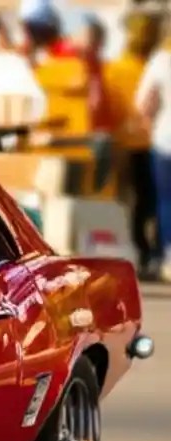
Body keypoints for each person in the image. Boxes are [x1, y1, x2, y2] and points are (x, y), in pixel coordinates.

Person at [106, 13, 161, 277]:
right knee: (149, 202)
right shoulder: (153, 64)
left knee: (137, 202)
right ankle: (146, 251)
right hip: (144, 143)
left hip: (133, 142)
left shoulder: (119, 67)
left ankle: (142, 251)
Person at [135, 20, 171, 282]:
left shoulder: (160, 61)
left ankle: (167, 258)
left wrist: (147, 123)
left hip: (165, 142)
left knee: (165, 202)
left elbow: (145, 103)